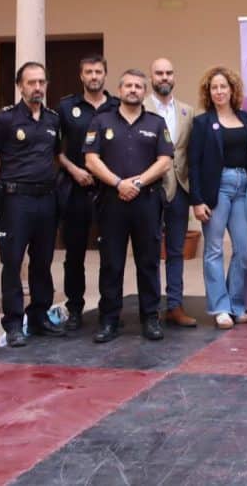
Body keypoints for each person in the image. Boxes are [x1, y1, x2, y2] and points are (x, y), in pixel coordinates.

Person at [84, 69, 174, 343]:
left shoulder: (157, 123)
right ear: (120, 90)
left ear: (144, 92)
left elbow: (165, 160)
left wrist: (136, 183)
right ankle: (109, 320)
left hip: (146, 201)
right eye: (128, 86)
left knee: (148, 261)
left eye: (138, 86)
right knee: (111, 263)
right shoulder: (101, 121)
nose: (133, 90)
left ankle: (150, 319)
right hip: (112, 201)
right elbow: (91, 159)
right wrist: (118, 183)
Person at [0, 62, 65, 347]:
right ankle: (14, 324)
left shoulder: (53, 120)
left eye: (41, 82)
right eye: (31, 82)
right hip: (16, 200)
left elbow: (54, 158)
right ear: (20, 86)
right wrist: (9, 181)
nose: (37, 87)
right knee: (13, 262)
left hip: (46, 199)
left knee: (43, 262)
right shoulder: (4, 119)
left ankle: (39, 317)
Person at [56, 54, 119, 330]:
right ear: (81, 76)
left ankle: (109, 310)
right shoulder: (67, 107)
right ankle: (76, 308)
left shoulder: (117, 106)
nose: (94, 76)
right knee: (75, 254)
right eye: (88, 72)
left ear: (105, 75)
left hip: (109, 190)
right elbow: (54, 150)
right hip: (76, 188)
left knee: (110, 253)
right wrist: (74, 170)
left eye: (98, 72)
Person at [189, 66, 247, 329]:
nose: (218, 91)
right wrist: (196, 199)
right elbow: (192, 163)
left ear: (232, 90)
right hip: (216, 189)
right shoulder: (202, 122)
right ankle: (221, 308)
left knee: (245, 248)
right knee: (214, 249)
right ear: (209, 92)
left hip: (244, 187)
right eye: (214, 87)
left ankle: (236, 303)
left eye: (223, 86)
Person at [146, 57, 197, 328]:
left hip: (180, 188)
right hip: (150, 189)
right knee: (150, 250)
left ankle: (175, 305)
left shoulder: (187, 111)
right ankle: (151, 308)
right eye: (159, 73)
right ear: (151, 77)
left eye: (169, 73)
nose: (164, 77)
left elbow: (188, 152)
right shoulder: (138, 108)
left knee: (176, 251)